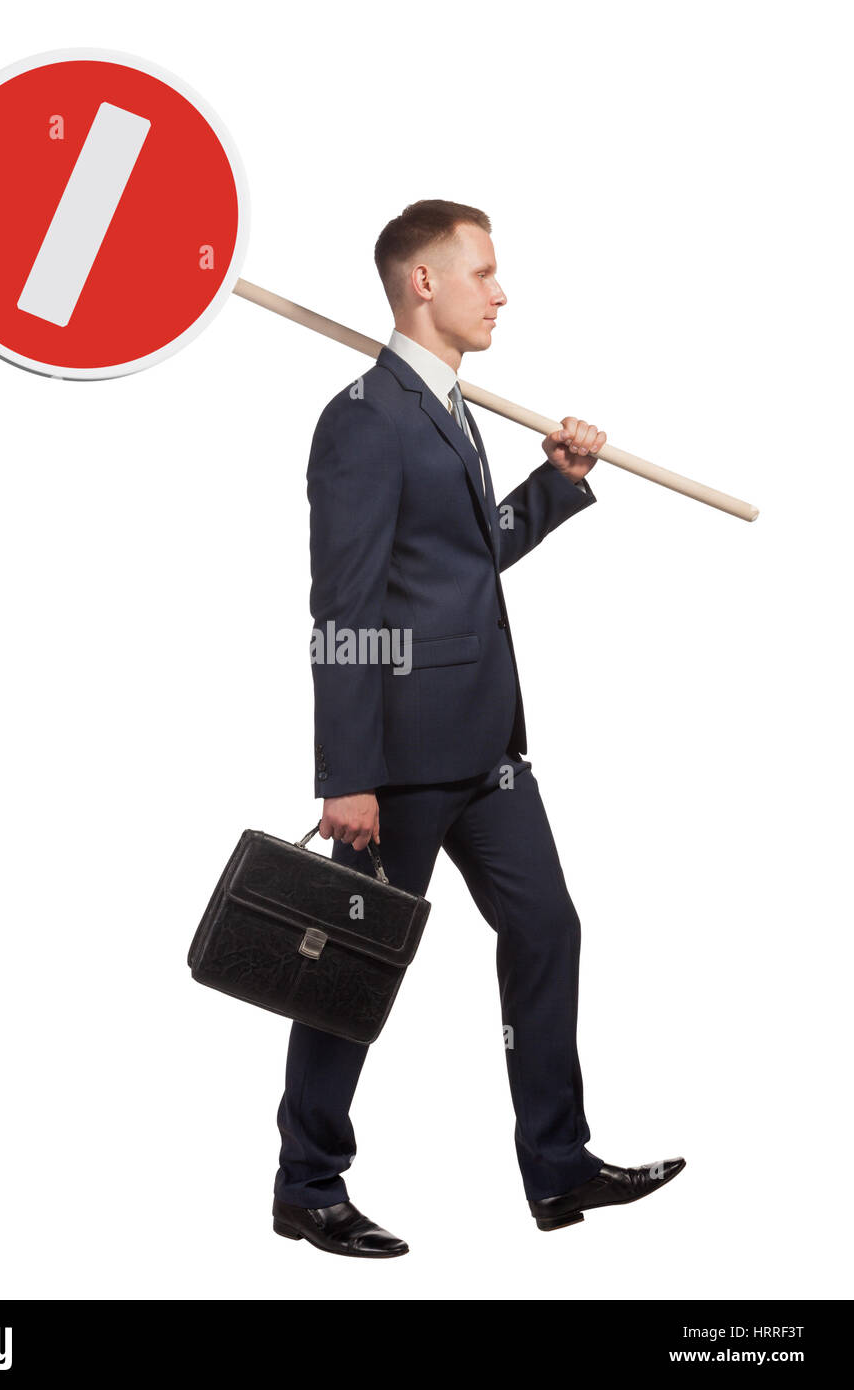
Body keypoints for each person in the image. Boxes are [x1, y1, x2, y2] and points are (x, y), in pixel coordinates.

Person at [272, 200, 684, 1257]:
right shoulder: (364, 420)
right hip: (399, 765)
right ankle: (307, 1182)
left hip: (488, 749)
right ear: (423, 283)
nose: (500, 292)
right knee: (355, 966)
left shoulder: (446, 408)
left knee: (548, 930)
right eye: (484, 272)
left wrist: (559, 484)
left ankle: (558, 1165)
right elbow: (347, 611)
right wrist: (347, 774)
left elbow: (463, 560)